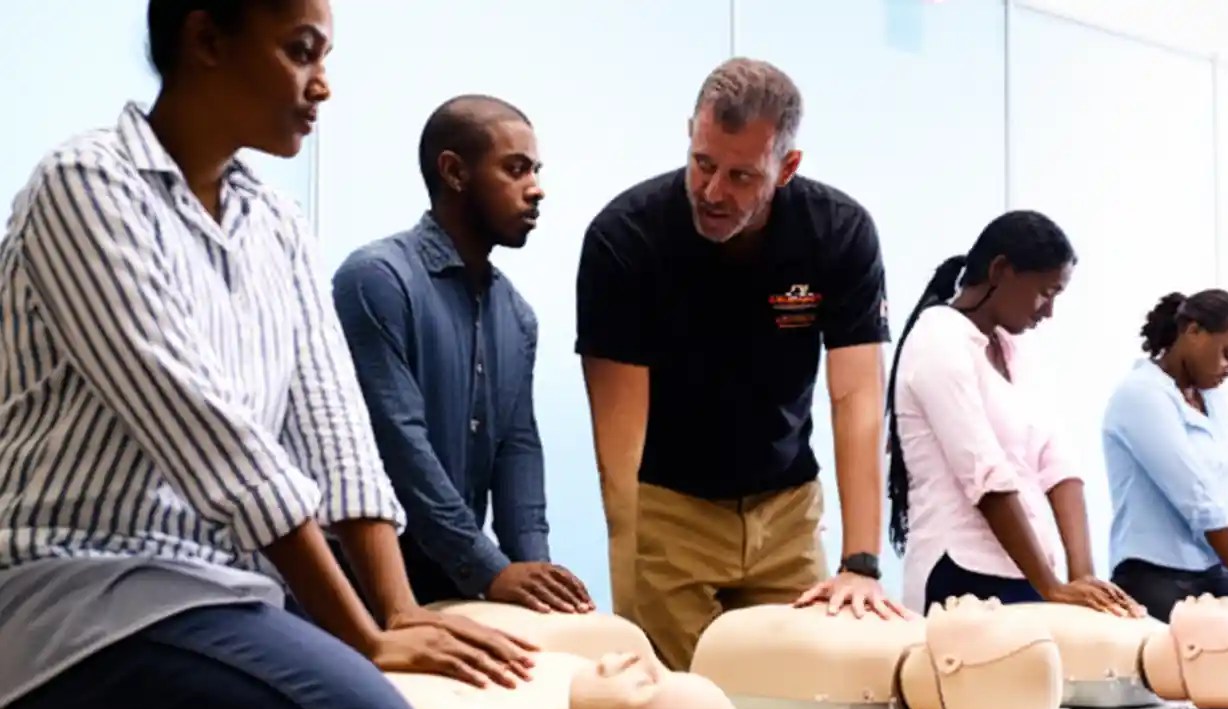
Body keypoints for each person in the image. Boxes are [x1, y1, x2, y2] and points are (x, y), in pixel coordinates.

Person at [0, 2, 539, 709]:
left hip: (226, 585)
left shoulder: (276, 224)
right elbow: (215, 441)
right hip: (82, 587)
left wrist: (401, 610)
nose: (323, 84)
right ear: (205, 39)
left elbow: (334, 428)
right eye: (301, 51)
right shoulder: (87, 186)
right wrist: (363, 637)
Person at [574, 56, 905, 672]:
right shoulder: (626, 239)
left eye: (741, 175)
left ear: (787, 168)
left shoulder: (839, 232)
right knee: (682, 699)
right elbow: (618, 449)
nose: (713, 191)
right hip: (669, 510)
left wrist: (861, 562)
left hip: (786, 510)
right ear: (690, 136)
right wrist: (632, 584)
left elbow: (856, 398)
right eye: (703, 164)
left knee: (799, 693)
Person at [332, 94, 594, 614]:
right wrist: (492, 569)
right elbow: (399, 445)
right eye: (515, 169)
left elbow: (518, 451)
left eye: (536, 170)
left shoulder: (517, 316)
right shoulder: (376, 280)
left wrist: (536, 578)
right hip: (362, 587)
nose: (537, 189)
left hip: (457, 586)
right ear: (453, 172)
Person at [885, 210, 1142, 616]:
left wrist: (1081, 577)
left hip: (1031, 573)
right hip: (962, 572)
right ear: (1001, 270)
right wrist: (1052, 588)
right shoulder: (938, 339)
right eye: (1045, 293)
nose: (1048, 312)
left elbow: (1058, 463)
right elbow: (985, 475)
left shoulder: (1016, 350)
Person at [1103, 289, 1228, 621]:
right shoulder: (1141, 395)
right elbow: (1201, 504)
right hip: (1153, 577)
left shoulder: (1213, 400)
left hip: (1209, 574)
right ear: (1193, 331)